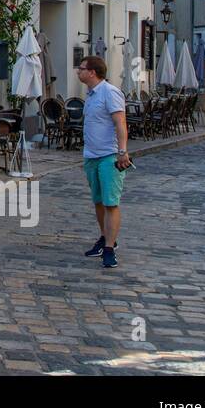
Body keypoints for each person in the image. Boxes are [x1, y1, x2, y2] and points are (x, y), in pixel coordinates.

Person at [77, 55, 130, 269]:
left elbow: (120, 123)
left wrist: (122, 151)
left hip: (109, 156)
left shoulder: (110, 93)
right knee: (98, 201)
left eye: (81, 68)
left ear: (92, 72)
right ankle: (105, 237)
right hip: (91, 155)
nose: (78, 72)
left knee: (110, 202)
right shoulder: (90, 94)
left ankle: (109, 248)